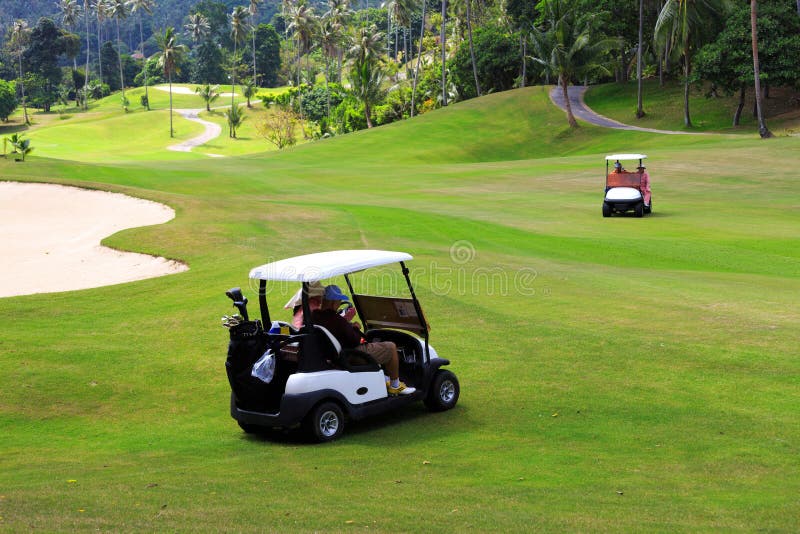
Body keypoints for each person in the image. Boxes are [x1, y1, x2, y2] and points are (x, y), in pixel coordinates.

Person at [311, 285, 416, 396]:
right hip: (352, 354)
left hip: (336, 354)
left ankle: (384, 378)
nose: (338, 304)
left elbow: (337, 329)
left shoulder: (315, 316)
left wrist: (347, 324)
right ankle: (395, 386)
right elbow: (355, 340)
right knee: (390, 347)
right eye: (339, 301)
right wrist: (355, 327)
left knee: (377, 347)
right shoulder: (336, 319)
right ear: (333, 303)